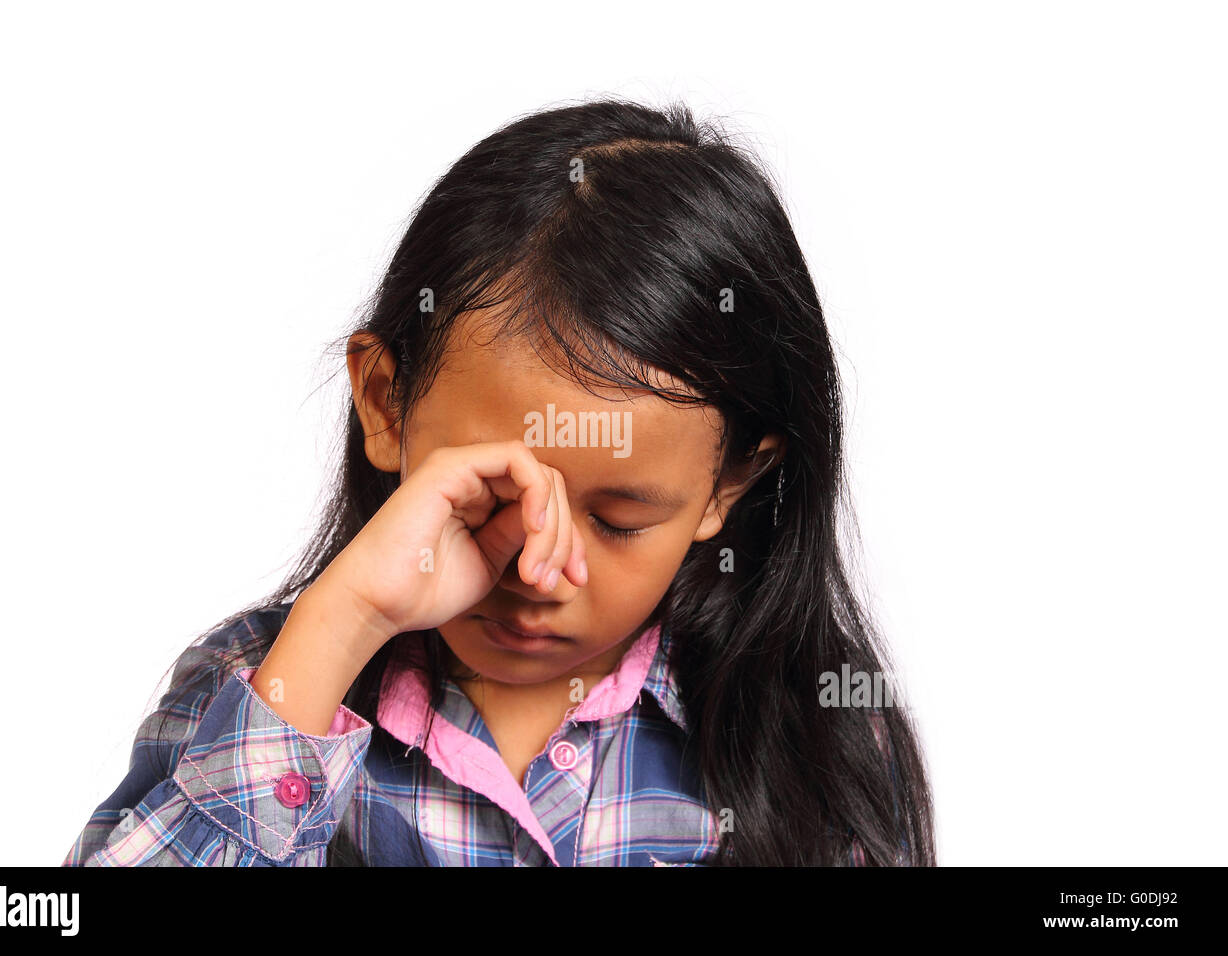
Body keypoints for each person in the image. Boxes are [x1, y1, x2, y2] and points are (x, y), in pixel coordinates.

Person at [62, 97, 935, 866]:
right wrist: (348, 619)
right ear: (384, 402)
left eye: (620, 520)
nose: (535, 569)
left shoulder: (813, 731)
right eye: (489, 497)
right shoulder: (260, 685)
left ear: (731, 484)